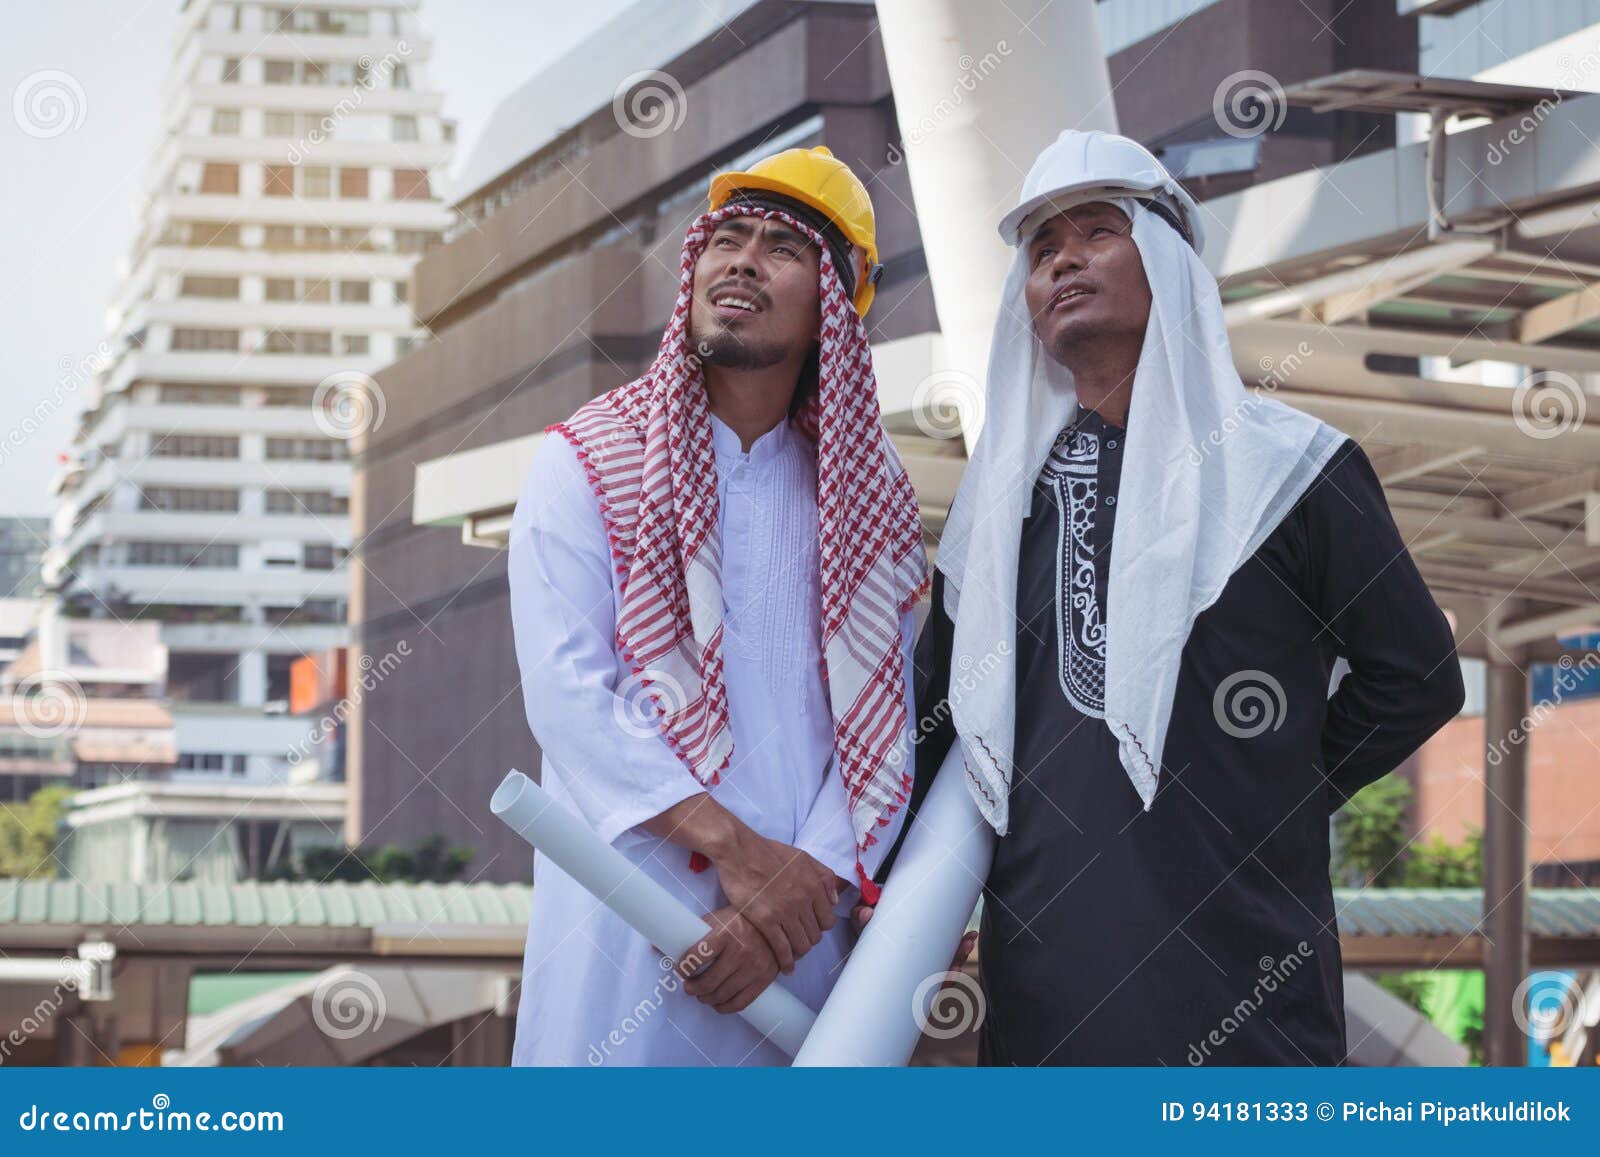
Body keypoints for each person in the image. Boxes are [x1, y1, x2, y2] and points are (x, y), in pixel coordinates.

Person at [865, 130, 1464, 1066]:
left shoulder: (1292, 470)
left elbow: (1419, 677)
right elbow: (937, 733)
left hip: (1248, 998)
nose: (1063, 257)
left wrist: (1271, 795)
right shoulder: (995, 515)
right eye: (1041, 248)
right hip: (1042, 1004)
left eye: (1097, 231)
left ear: (1170, 265)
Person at [505, 146, 929, 1066]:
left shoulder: (872, 499)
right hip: (625, 923)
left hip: (799, 945)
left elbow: (884, 726)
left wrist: (800, 886)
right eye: (725, 238)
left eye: (782, 247)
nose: (740, 259)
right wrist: (738, 856)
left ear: (835, 308)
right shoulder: (583, 459)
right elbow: (567, 695)